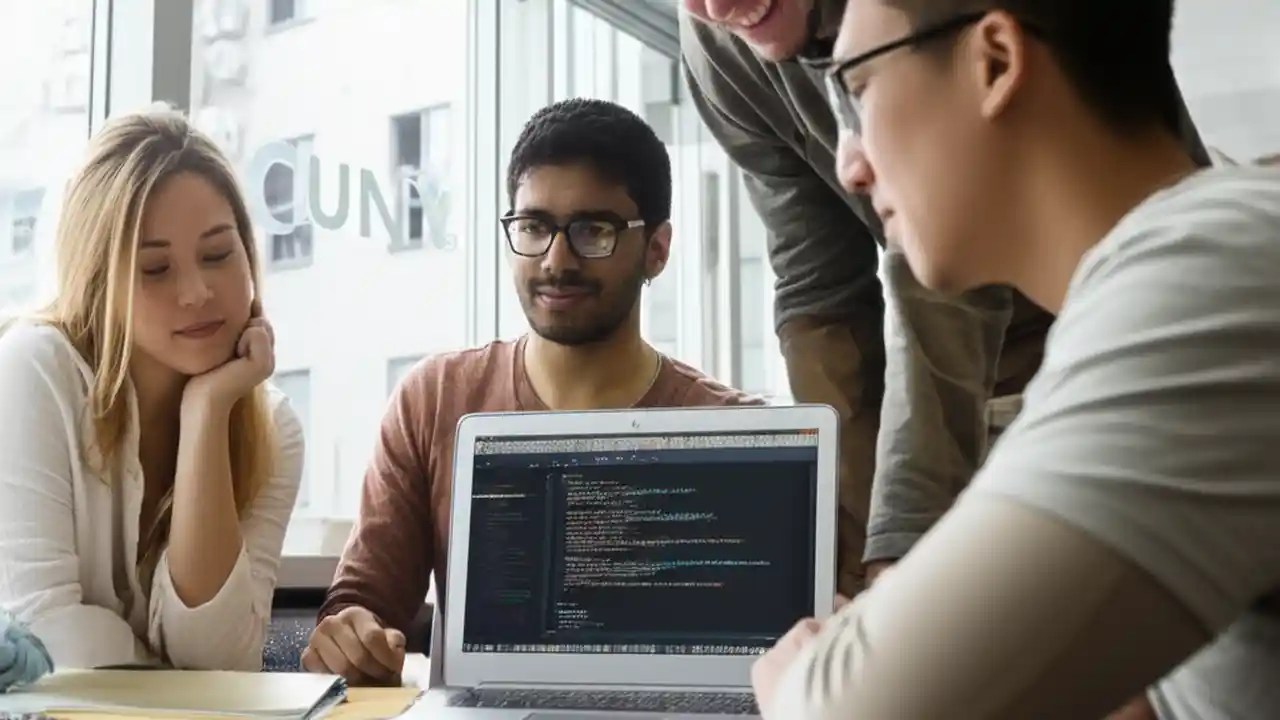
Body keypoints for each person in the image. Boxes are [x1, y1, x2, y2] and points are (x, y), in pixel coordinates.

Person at [747, 1, 1280, 719]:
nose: (849, 165)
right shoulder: (1159, 289)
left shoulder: (1207, 279)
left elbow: (850, 712)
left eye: (857, 87)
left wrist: (802, 676)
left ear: (994, 60)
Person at [678, 0, 1208, 595]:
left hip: (1106, 346)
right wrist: (859, 556)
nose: (715, 7)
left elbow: (951, 254)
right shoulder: (721, 51)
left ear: (995, 61)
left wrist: (901, 550)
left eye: (861, 86)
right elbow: (818, 289)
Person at [302, 98, 761, 686]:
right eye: (535, 227)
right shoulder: (436, 398)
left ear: (658, 250)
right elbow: (362, 604)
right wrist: (350, 639)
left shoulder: (726, 429)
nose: (556, 259)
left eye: (593, 230)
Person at [0, 109, 304, 671]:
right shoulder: (33, 368)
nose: (195, 292)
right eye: (155, 269)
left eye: (218, 255)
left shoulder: (274, 430)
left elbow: (217, 659)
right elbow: (41, 638)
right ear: (99, 282)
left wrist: (208, 412)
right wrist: (161, 667)